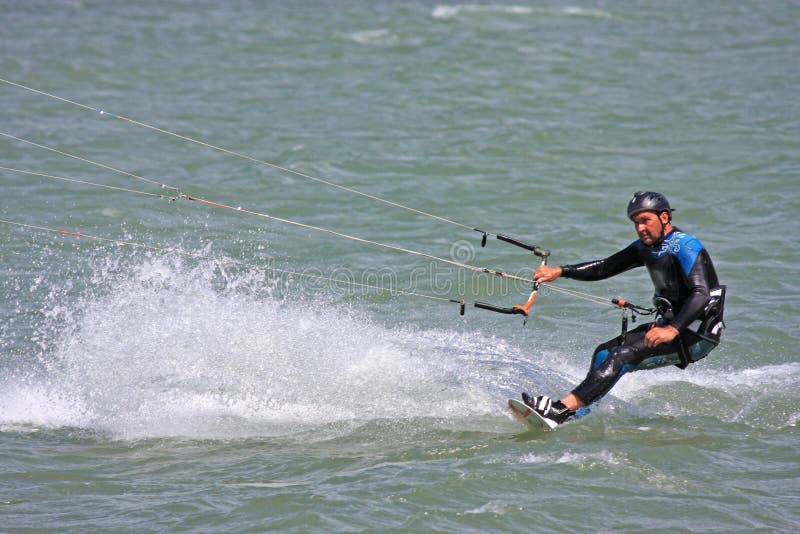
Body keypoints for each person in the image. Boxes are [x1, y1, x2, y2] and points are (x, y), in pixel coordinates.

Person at [522, 191, 725, 427]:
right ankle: (578, 413)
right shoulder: (644, 248)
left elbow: (701, 293)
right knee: (604, 353)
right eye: (635, 223)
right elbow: (605, 267)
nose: (640, 228)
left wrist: (673, 329)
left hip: (695, 333)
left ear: (664, 217)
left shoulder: (685, 245)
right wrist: (561, 271)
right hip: (672, 325)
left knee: (622, 356)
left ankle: (559, 410)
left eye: (645, 220)